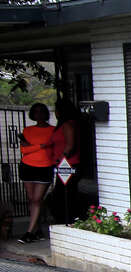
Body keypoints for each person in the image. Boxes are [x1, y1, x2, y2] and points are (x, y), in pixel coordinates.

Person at [17, 104, 54, 243]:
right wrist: (41, 146)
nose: (39, 115)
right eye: (36, 112)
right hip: (27, 166)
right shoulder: (27, 130)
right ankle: (37, 229)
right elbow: (24, 150)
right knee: (32, 199)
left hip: (45, 167)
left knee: (37, 199)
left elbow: (50, 147)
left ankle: (29, 232)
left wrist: (32, 147)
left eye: (42, 112)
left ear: (46, 113)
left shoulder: (53, 130)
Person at [50, 99, 82, 223]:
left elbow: (70, 145)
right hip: (63, 164)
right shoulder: (63, 125)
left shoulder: (68, 125)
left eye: (56, 110)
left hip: (68, 163)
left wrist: (60, 158)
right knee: (63, 192)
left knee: (64, 193)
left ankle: (67, 218)